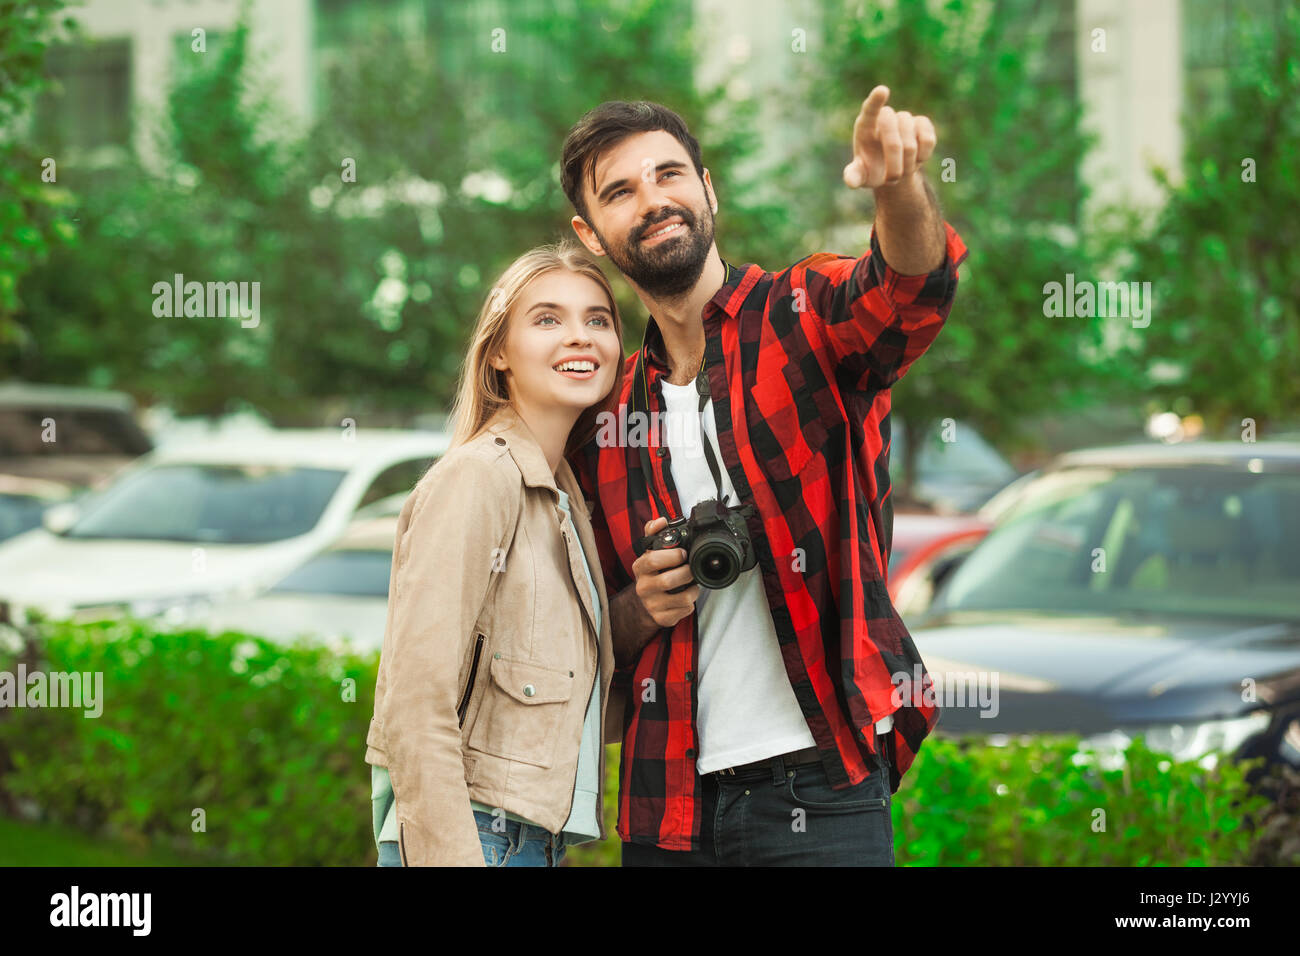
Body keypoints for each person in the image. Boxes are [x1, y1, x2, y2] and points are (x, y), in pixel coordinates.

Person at [560, 87, 969, 865]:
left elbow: (908, 292)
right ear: (590, 233)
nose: (654, 200)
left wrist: (897, 187)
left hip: (823, 788)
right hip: (668, 807)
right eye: (621, 191)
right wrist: (641, 605)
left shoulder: (804, 317)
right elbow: (582, 631)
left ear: (707, 188)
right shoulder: (606, 420)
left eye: (669, 174)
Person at [366, 241, 626, 866]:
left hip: (530, 840)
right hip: (479, 839)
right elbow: (415, 700)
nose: (580, 337)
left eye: (598, 319)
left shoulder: (563, 497)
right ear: (500, 353)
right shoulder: (480, 477)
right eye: (547, 319)